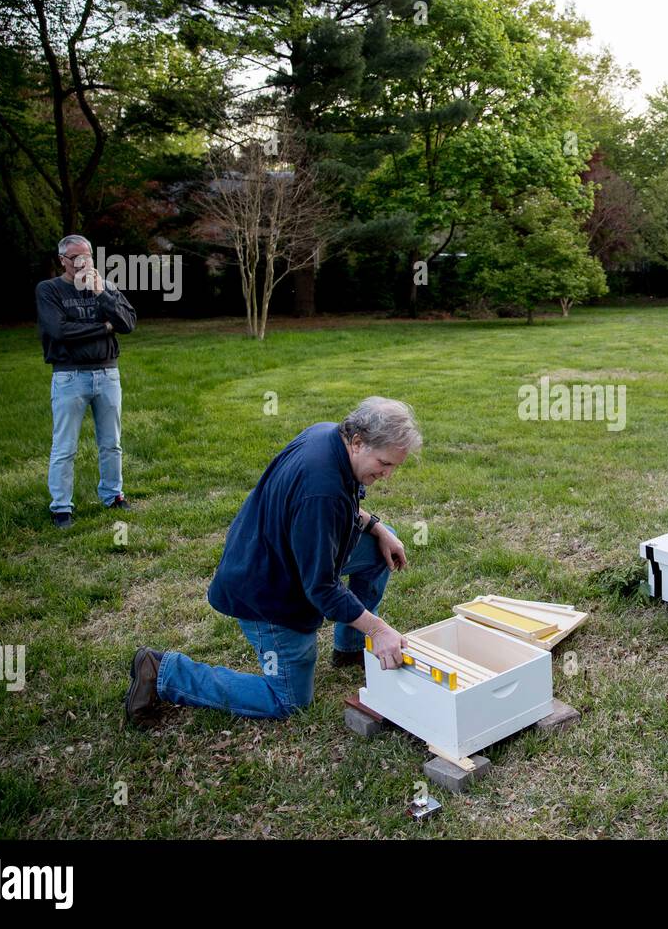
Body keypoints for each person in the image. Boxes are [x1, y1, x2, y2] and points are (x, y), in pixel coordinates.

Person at [123, 398, 421, 725]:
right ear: (358, 442)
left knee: (379, 544)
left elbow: (338, 512)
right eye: (384, 463)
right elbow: (321, 588)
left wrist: (376, 527)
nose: (388, 475)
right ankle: (163, 671)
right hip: (266, 587)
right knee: (289, 700)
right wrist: (378, 629)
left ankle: (350, 648)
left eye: (394, 466)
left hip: (283, 551)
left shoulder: (328, 436)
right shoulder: (321, 492)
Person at [35, 235, 137, 528]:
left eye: (87, 256)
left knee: (111, 443)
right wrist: (105, 326)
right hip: (70, 376)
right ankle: (61, 508)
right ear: (63, 261)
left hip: (107, 374)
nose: (83, 262)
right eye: (76, 258)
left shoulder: (104, 285)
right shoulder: (49, 290)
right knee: (65, 447)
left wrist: (101, 293)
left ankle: (113, 495)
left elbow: (128, 323)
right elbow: (59, 331)